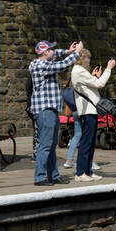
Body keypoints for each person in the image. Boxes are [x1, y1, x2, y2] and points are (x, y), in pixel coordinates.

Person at [28, 38, 81, 186]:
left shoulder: (44, 60)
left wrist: (68, 51)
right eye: (50, 49)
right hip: (45, 110)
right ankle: (39, 177)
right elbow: (62, 65)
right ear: (45, 52)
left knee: (51, 145)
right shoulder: (41, 65)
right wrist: (76, 53)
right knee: (45, 145)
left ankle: (53, 175)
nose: (53, 51)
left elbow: (56, 54)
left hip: (50, 110)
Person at [69, 49, 115, 182]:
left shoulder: (80, 71)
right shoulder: (78, 70)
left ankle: (87, 171)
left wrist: (94, 76)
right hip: (88, 111)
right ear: (83, 59)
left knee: (90, 142)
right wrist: (108, 69)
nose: (89, 61)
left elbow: (90, 85)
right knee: (86, 142)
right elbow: (99, 84)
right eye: (88, 58)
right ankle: (80, 173)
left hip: (91, 110)